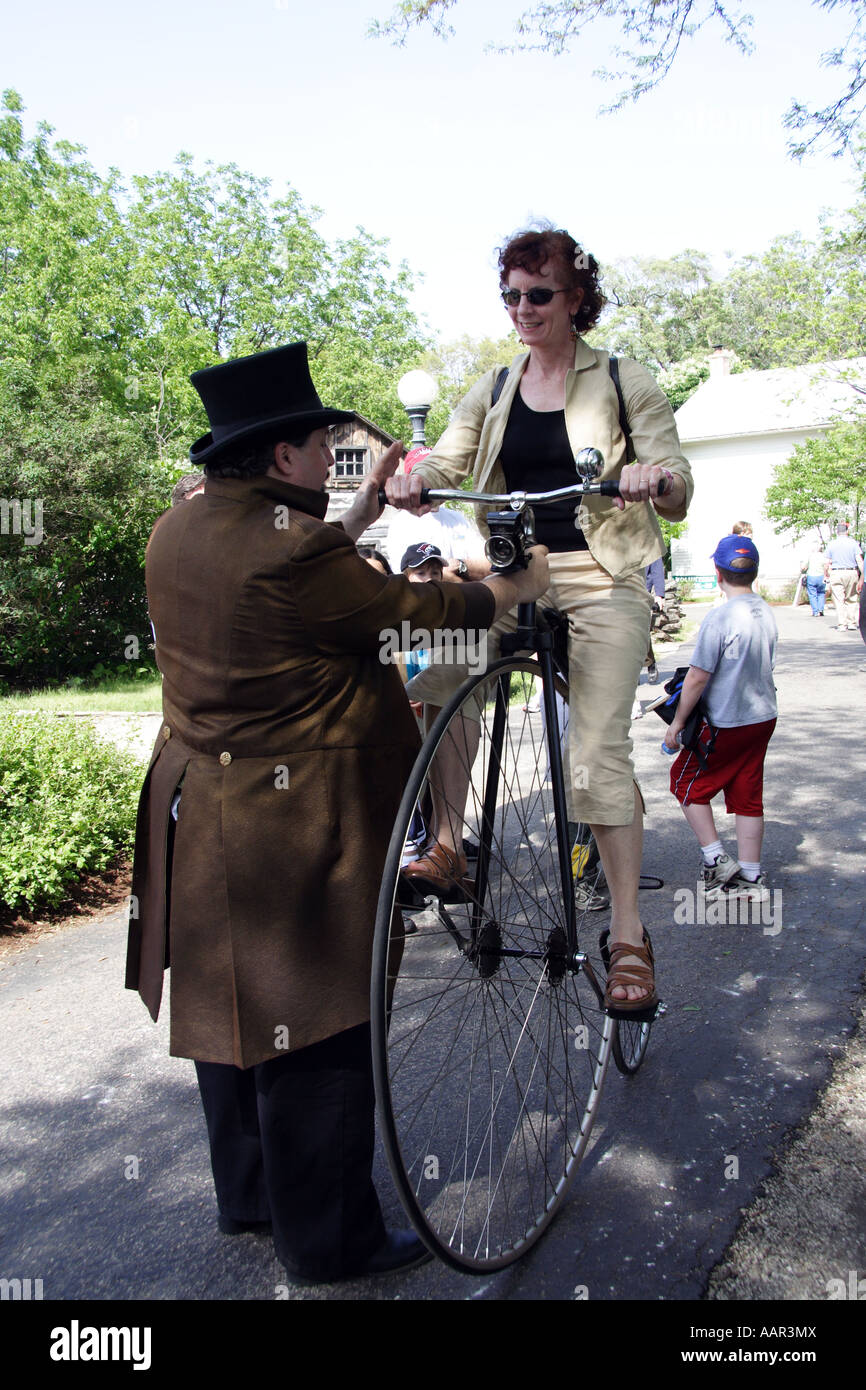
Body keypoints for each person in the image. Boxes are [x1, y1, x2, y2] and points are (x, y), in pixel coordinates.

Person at [124, 341, 549, 1284]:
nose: (329, 458)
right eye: (321, 446)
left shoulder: (179, 530)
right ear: (280, 459)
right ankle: (333, 1242)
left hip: (204, 804)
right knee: (318, 1028)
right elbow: (400, 609)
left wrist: (353, 513)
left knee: (233, 1012)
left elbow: (306, 575)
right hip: (293, 825)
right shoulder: (295, 553)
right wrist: (506, 591)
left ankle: (251, 1198)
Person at [385, 225, 693, 1016]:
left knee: (594, 753)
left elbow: (679, 483)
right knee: (437, 665)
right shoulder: (492, 388)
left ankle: (627, 933)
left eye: (540, 294)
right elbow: (447, 461)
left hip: (602, 575)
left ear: (576, 297)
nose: (523, 308)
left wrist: (654, 479)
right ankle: (450, 844)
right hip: (515, 572)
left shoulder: (624, 379)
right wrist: (415, 480)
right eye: (512, 295)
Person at [663, 535, 777, 903]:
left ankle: (716, 860)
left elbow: (697, 677)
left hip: (726, 722)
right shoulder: (764, 611)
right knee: (747, 792)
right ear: (754, 573)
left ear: (717, 574)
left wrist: (677, 723)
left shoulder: (720, 618)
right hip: (762, 717)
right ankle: (751, 876)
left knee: (684, 782)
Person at [825, 521, 863, 631]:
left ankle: (842, 624)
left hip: (836, 572)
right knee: (852, 598)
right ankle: (851, 623)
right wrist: (862, 574)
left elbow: (826, 562)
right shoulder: (853, 543)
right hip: (851, 572)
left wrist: (826, 573)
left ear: (837, 532)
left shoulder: (831, 544)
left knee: (838, 599)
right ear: (847, 531)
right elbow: (859, 560)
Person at [802, 541, 826, 617]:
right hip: (821, 576)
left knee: (812, 594)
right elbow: (826, 566)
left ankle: (815, 611)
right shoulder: (823, 556)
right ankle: (821, 609)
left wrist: (803, 569)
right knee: (821, 593)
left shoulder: (810, 556)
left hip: (811, 576)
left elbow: (803, 567)